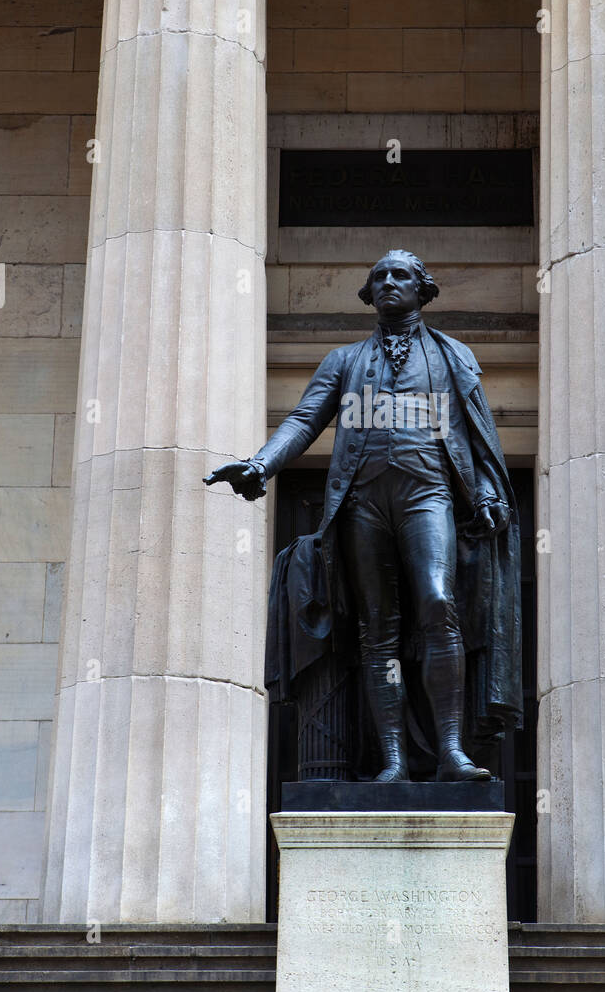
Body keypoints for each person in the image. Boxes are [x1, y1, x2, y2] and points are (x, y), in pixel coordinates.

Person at [205, 249, 521, 782]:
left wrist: (488, 490)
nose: (389, 282)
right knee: (379, 630)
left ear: (422, 289)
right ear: (368, 292)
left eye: (400, 275)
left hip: (428, 494)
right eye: (379, 276)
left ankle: (450, 752)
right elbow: (305, 419)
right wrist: (262, 464)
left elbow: (478, 436)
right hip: (362, 502)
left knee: (438, 602)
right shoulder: (343, 361)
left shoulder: (453, 356)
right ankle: (393, 759)